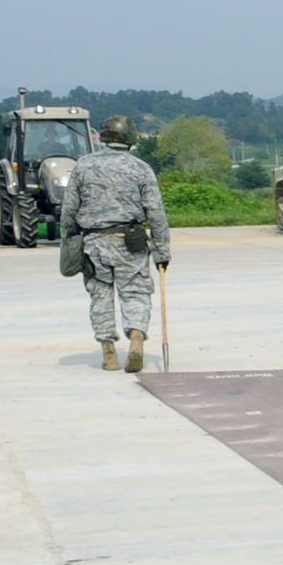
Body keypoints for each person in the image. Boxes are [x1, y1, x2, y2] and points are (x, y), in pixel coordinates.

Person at [59, 115, 171, 373]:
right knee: (135, 292)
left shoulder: (83, 166)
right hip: (130, 242)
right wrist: (162, 252)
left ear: (105, 136)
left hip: (93, 243)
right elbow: (156, 212)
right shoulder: (141, 168)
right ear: (130, 138)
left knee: (100, 296)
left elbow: (69, 211)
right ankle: (136, 339)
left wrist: (69, 242)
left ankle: (108, 352)